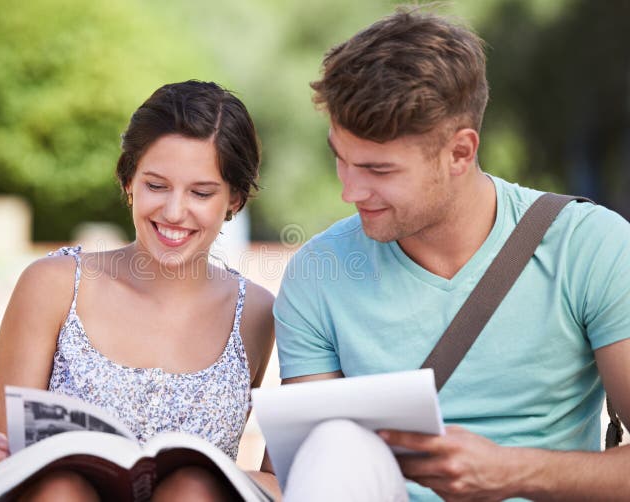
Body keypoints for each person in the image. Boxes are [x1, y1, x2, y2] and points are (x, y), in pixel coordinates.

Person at [269, 7, 630, 502]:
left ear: (460, 153)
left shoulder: (591, 248)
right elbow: (310, 469)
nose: (349, 191)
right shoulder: (318, 273)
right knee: (333, 442)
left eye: (379, 170)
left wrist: (515, 473)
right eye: (340, 158)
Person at [0, 80, 279, 501]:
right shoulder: (54, 286)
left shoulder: (256, 315)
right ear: (128, 180)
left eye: (201, 192)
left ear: (234, 198)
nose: (174, 212)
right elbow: (0, 481)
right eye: (156, 185)